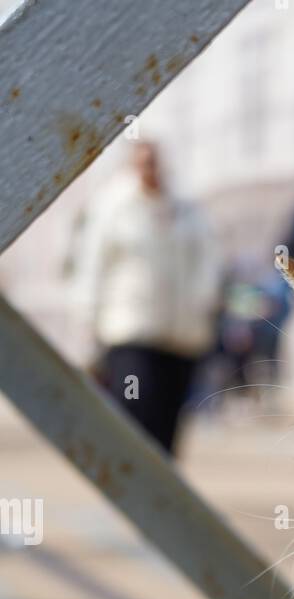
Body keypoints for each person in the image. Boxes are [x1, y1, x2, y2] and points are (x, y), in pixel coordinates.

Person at [75, 141, 221, 455]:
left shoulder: (186, 209)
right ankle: (131, 478)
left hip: (181, 335)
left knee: (168, 418)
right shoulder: (112, 207)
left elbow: (208, 260)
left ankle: (161, 489)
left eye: (153, 161)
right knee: (134, 407)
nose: (148, 169)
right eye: (141, 162)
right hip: (130, 331)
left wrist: (204, 303)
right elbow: (91, 266)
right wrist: (88, 319)